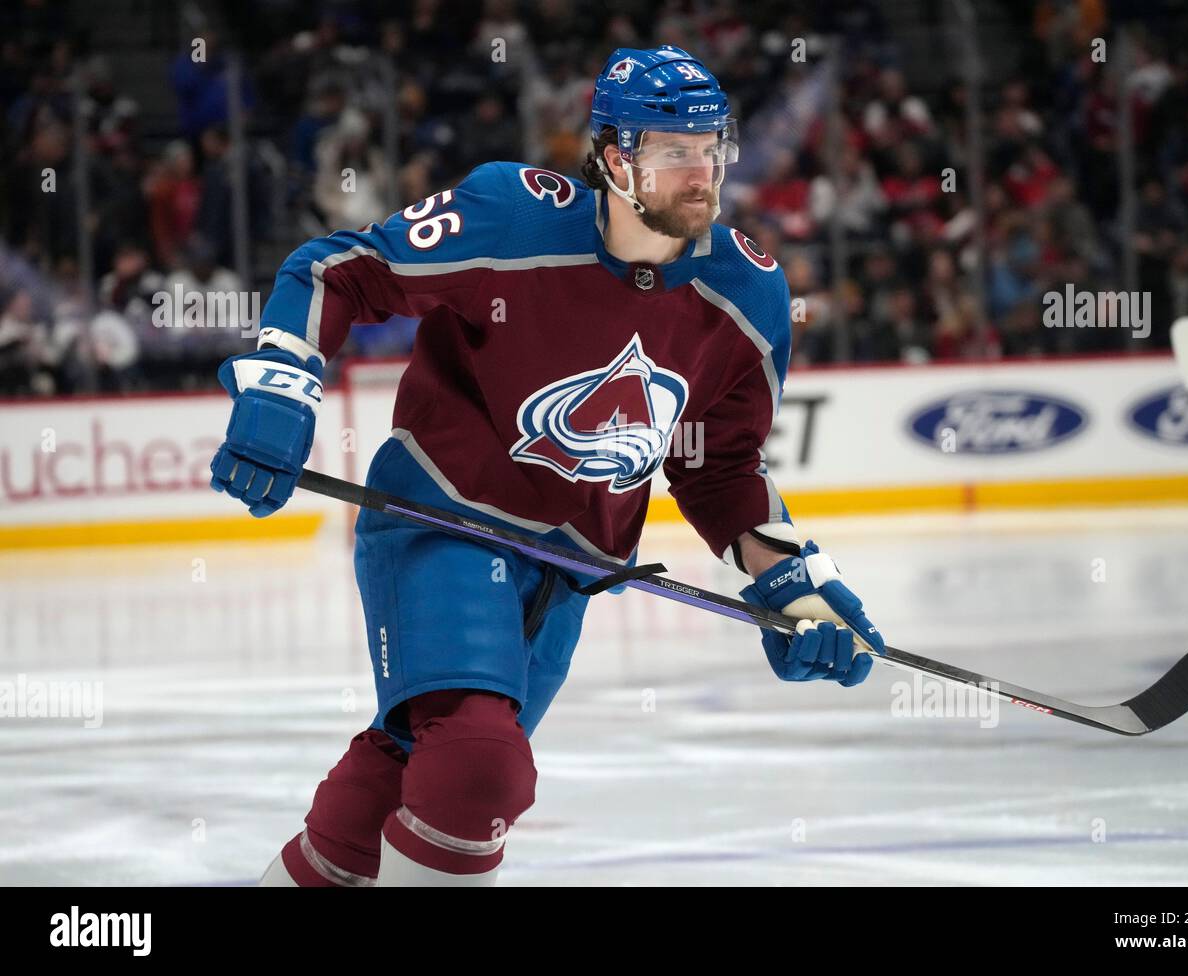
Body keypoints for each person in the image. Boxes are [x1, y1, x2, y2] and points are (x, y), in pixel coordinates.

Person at [209, 46, 886, 887]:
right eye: (675, 150)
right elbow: (339, 272)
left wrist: (793, 584)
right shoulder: (512, 219)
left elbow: (717, 466)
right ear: (614, 158)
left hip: (568, 572)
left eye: (713, 147)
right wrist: (281, 392)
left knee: (412, 766)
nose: (703, 170)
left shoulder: (747, 297)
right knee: (478, 767)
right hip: (442, 522)